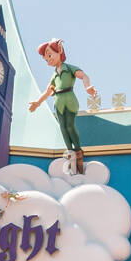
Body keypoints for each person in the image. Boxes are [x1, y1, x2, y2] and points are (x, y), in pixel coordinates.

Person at [28, 39, 98, 174]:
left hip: (69, 99)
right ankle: (70, 151)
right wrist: (37, 102)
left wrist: (87, 86)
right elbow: (48, 91)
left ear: (59, 50)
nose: (48, 60)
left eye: (49, 55)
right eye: (45, 59)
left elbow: (83, 75)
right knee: (63, 127)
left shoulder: (69, 68)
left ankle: (78, 151)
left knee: (70, 125)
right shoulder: (54, 75)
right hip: (58, 102)